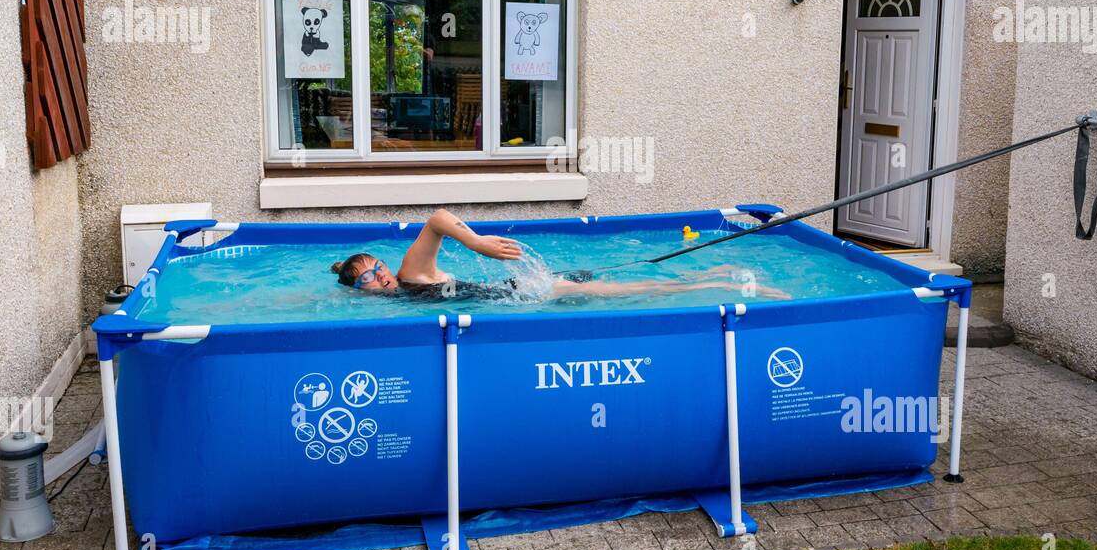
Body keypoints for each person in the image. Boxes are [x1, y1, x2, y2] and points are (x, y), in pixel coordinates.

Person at [330, 208, 787, 301]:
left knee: (637, 289)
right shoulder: (392, 299)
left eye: (378, 268)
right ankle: (720, 269)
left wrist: (477, 243)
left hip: (527, 289)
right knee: (628, 280)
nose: (380, 278)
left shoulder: (411, 277)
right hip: (527, 288)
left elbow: (438, 217)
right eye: (368, 278)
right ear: (358, 289)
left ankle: (724, 283)